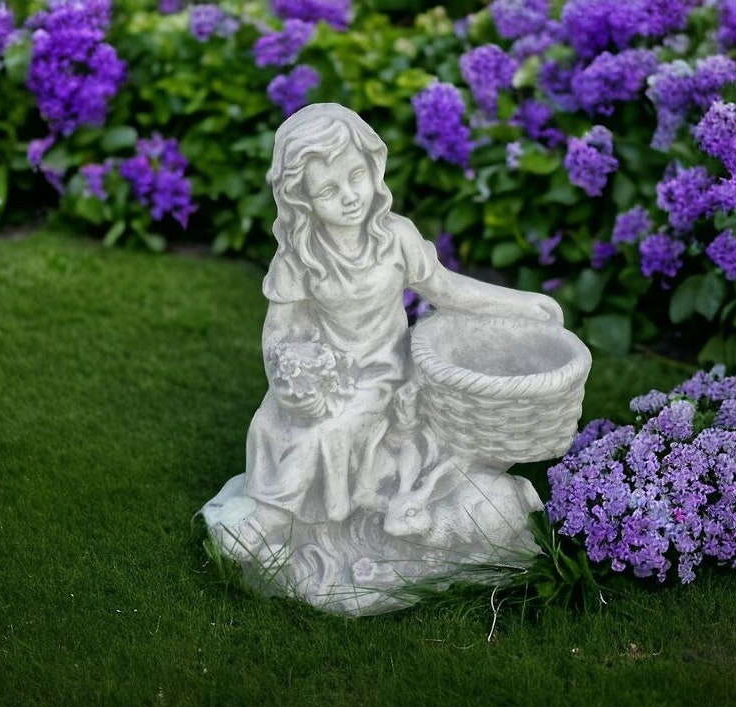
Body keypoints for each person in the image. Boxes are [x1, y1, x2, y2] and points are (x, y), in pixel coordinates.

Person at [241, 103, 562, 535]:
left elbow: (447, 290)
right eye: (328, 191)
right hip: (328, 370)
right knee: (272, 422)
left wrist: (521, 305)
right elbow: (278, 334)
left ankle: (272, 520)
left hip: (385, 369)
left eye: (356, 176)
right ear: (304, 202)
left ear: (374, 169)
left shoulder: (395, 237)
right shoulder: (298, 258)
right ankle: (281, 517)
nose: (350, 196)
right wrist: (290, 385)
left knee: (328, 430)